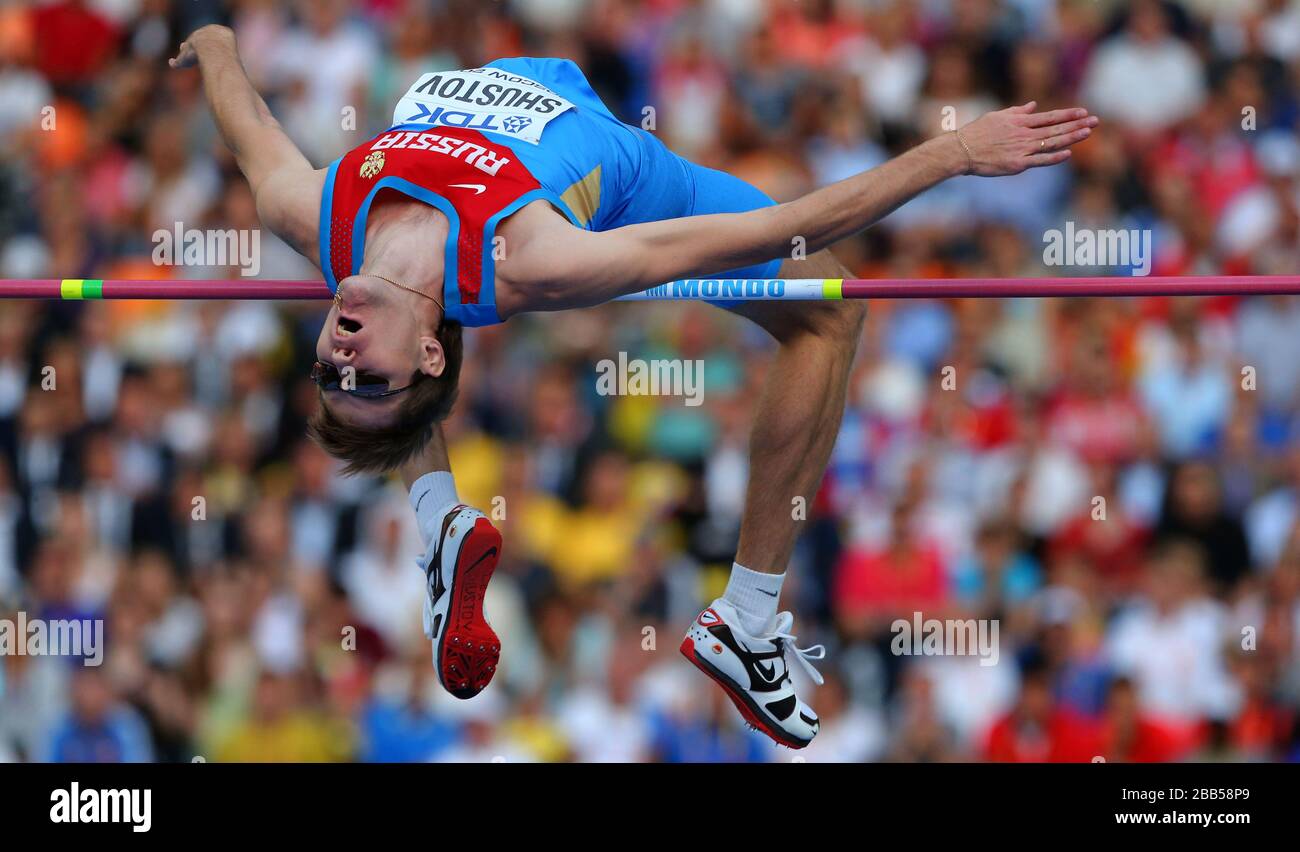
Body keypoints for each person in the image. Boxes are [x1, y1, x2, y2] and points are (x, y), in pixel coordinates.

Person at [171, 24, 1097, 748]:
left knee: (385, 376)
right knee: (831, 306)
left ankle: (440, 519)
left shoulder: (315, 215)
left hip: (530, 98)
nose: (339, 348)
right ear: (430, 356)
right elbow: (792, 223)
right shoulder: (537, 258)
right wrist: (954, 154)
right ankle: (747, 618)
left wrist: (214, 45)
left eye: (329, 369)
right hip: (630, 175)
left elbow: (245, 121)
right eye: (361, 373)